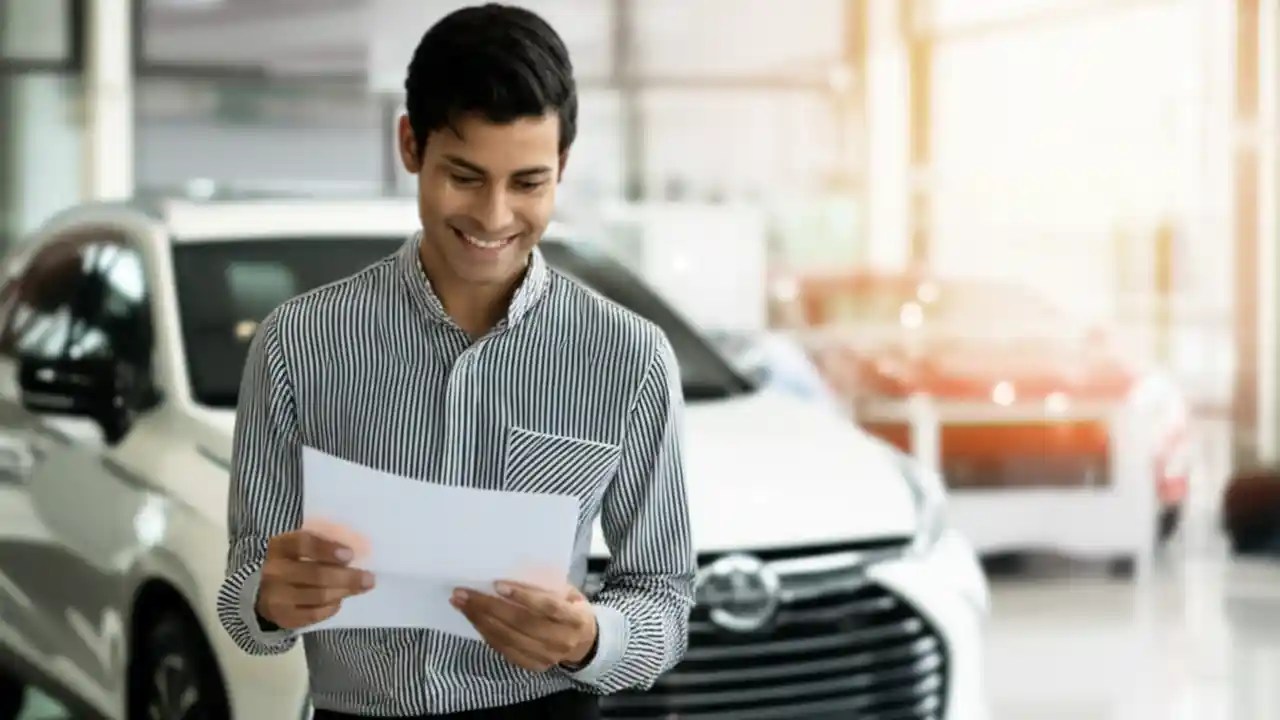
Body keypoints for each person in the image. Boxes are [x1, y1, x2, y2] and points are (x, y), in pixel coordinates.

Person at [215, 4, 696, 719]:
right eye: (465, 177)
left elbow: (664, 598)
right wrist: (268, 601)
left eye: (529, 183)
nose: (496, 217)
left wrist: (594, 637)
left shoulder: (630, 358)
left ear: (562, 166)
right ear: (411, 145)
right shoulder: (298, 343)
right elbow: (245, 598)